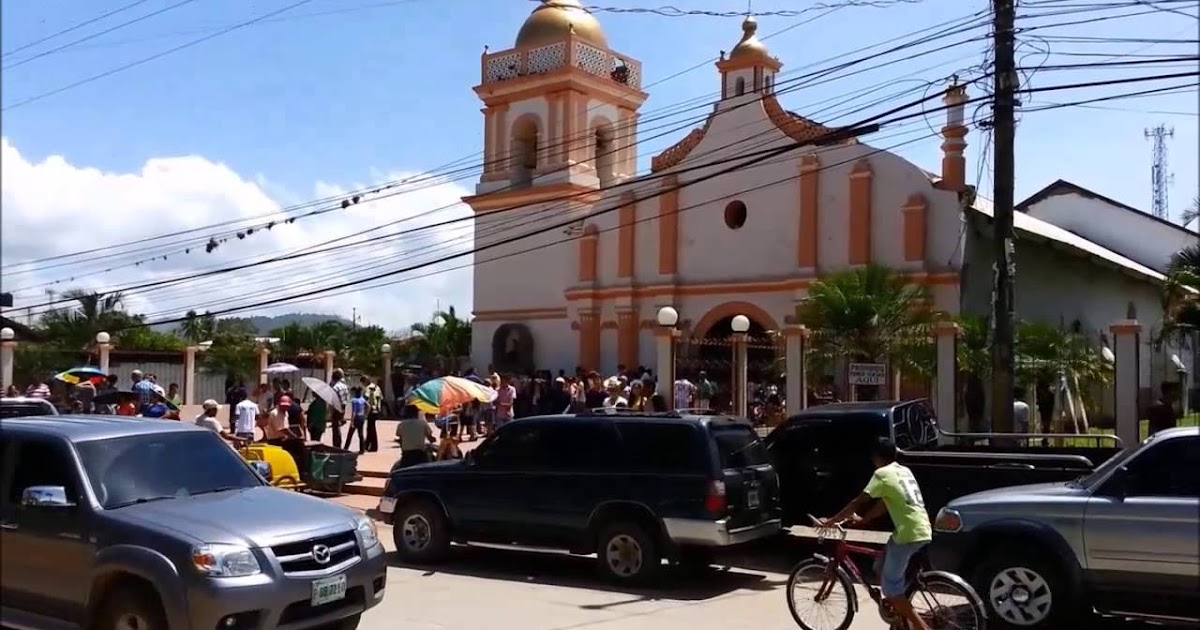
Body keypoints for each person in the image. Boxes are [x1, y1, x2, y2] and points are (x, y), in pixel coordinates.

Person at [818, 438, 933, 630]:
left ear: (877, 457)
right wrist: (864, 521)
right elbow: (884, 503)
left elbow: (858, 501)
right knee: (880, 565)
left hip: (908, 535)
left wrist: (832, 520)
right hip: (920, 528)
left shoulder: (882, 473)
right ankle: (897, 615)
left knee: (891, 590)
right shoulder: (904, 471)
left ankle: (921, 627)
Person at [330, 369, 350, 449]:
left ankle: (337, 445)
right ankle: (338, 444)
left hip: (336, 407)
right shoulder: (344, 386)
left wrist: (331, 410)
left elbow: (333, 400)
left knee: (335, 427)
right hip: (343, 407)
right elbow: (346, 398)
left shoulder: (335, 387)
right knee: (338, 425)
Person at [345, 386, 368, 453]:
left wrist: (352, 422)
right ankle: (362, 449)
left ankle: (346, 448)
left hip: (356, 418)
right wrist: (366, 414)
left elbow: (354, 412)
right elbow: (368, 406)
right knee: (360, 434)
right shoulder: (362, 400)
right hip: (361, 417)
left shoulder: (354, 400)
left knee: (350, 434)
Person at [363, 376, 383, 452]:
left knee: (371, 429)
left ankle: (372, 446)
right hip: (376, 410)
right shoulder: (377, 387)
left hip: (370, 410)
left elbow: (367, 400)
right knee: (371, 428)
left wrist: (365, 413)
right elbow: (380, 398)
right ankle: (368, 445)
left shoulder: (368, 389)